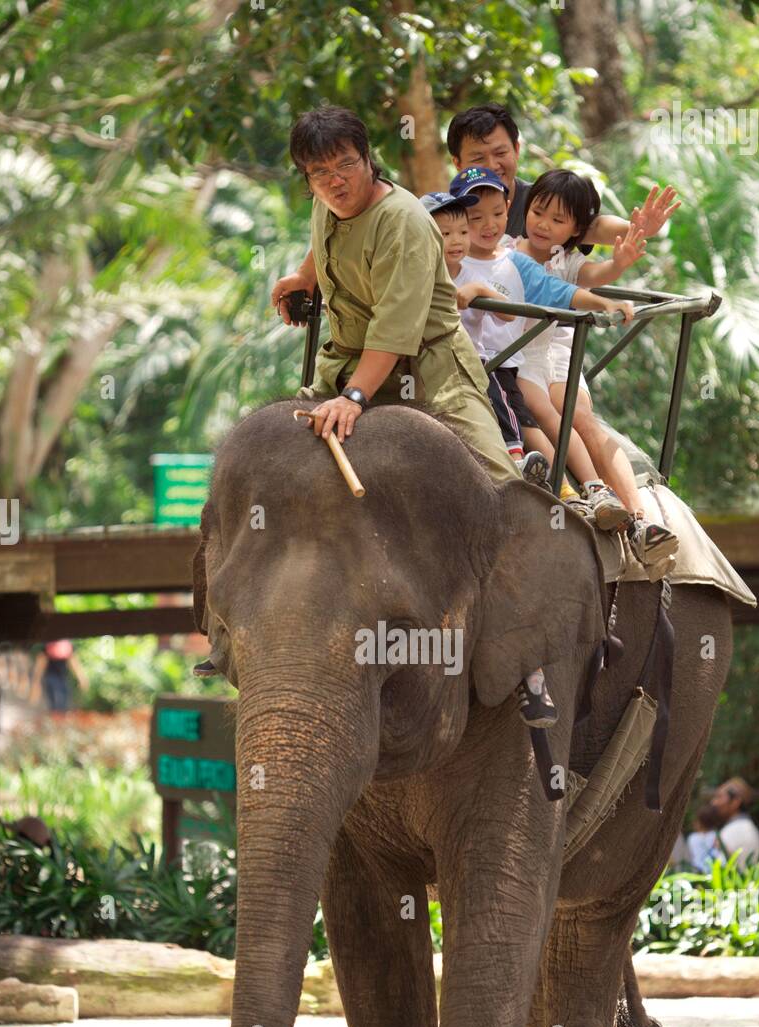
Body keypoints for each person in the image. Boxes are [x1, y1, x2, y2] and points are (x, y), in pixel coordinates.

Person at [263, 107, 558, 727]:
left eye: (347, 164)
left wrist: (356, 401)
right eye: (320, 173)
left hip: (425, 373)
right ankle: (259, 633)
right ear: (309, 181)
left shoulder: (403, 223)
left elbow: (395, 335)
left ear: (369, 158)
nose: (336, 180)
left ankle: (528, 664)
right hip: (344, 367)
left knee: (502, 500)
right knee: (271, 468)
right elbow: (321, 248)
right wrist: (298, 277)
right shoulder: (328, 205)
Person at [514, 169, 679, 569]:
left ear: (575, 230)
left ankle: (640, 520)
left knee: (583, 419)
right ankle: (582, 489)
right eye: (538, 212)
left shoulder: (567, 261)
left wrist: (619, 264)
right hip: (523, 355)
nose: (544, 224)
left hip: (558, 351)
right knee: (552, 412)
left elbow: (595, 277)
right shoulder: (506, 253)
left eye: (558, 220)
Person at [420, 183, 561, 485]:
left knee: (495, 395)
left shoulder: (474, 275)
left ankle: (516, 458)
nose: (456, 240)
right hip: (430, 358)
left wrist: (481, 290)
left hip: (473, 360)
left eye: (461, 231)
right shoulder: (419, 273)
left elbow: (509, 312)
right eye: (445, 234)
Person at [446, 101, 680, 245]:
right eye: (478, 159)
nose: (492, 165)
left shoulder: (539, 201)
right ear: (457, 163)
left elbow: (594, 227)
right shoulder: (444, 212)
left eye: (500, 153)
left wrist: (636, 228)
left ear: (516, 150)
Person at [686, 779, 759, 870]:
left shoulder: (734, 830)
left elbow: (717, 871)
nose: (714, 802)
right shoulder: (745, 826)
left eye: (719, 797)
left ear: (735, 802)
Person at [30, 640, 88, 713]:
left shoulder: (67, 644)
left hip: (63, 677)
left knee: (64, 702)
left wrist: (81, 678)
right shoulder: (47, 644)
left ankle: (60, 719)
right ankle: (55, 719)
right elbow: (41, 662)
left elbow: (74, 662)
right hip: (50, 677)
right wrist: (36, 683)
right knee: (55, 703)